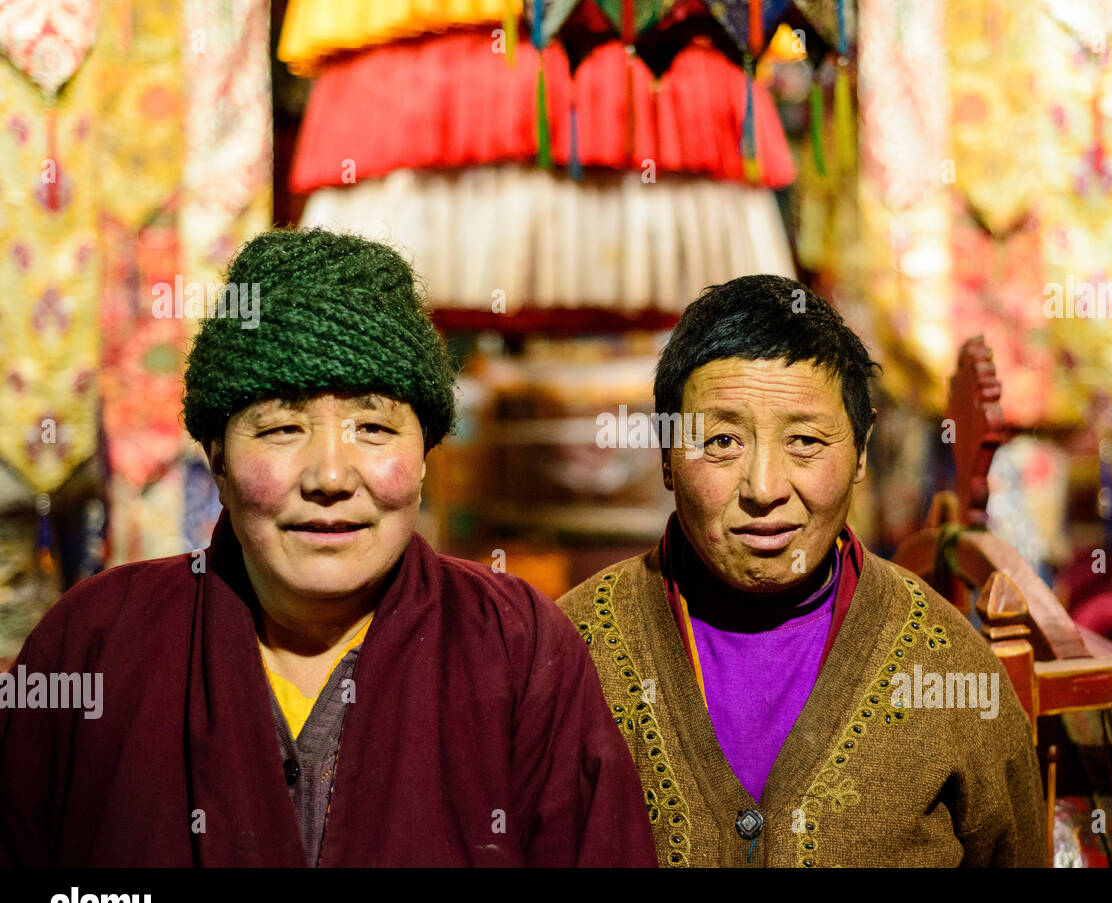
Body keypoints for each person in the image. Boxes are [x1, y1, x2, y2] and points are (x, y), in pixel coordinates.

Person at [0, 228, 656, 867]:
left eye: (373, 427)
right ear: (218, 458)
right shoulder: (98, 643)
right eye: (283, 427)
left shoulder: (516, 648)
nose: (331, 477)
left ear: (425, 454)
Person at [558, 275, 1046, 867]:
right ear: (666, 457)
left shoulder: (949, 670)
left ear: (861, 453)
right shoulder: (570, 653)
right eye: (721, 440)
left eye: (806, 441)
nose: (764, 489)